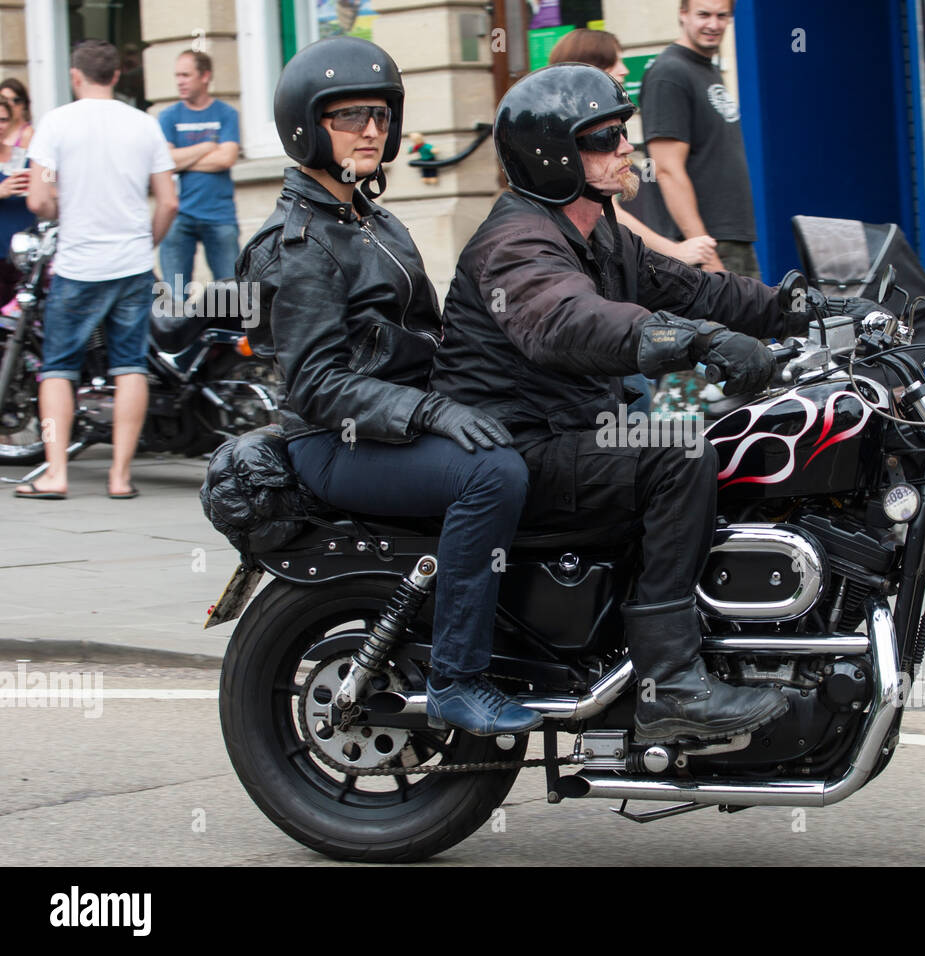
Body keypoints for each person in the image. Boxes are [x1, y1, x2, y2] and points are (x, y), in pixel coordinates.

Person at [432, 64, 815, 744]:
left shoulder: (602, 234)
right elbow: (569, 323)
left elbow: (699, 291)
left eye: (622, 132)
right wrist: (701, 343)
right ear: (554, 157)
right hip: (521, 447)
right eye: (603, 138)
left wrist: (806, 310)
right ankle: (670, 682)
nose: (624, 148)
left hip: (578, 433)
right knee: (679, 450)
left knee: (728, 436)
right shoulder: (517, 242)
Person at [238, 36, 537, 736]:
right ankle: (459, 678)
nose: (370, 129)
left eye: (379, 114)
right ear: (308, 127)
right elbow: (317, 383)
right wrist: (429, 408)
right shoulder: (301, 244)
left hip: (396, 422)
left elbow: (430, 336)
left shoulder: (373, 220)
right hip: (336, 441)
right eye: (347, 116)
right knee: (490, 475)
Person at [16, 40, 178, 501]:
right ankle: (121, 477)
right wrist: (146, 242)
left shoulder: (56, 123)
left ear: (75, 75)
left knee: (59, 369)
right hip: (130, 263)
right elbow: (168, 201)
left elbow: (38, 199)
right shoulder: (144, 124)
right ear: (116, 77)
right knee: (129, 366)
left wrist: (58, 209)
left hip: (79, 263)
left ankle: (56, 474)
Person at [549, 28, 717, 269]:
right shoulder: (572, 134)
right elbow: (607, 213)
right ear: (589, 68)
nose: (624, 70)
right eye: (613, 62)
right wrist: (674, 251)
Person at [641, 0, 753, 278]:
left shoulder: (706, 68)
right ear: (683, 14)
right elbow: (666, 170)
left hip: (730, 238)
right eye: (703, 14)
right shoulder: (669, 73)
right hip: (705, 243)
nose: (713, 24)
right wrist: (707, 254)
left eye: (721, 15)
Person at [157, 50, 240, 309]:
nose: (179, 81)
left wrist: (182, 158)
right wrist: (206, 147)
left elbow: (226, 158)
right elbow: (165, 162)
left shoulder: (226, 113)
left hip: (220, 216)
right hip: (179, 217)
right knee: (174, 299)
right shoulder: (169, 116)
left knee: (232, 296)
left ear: (205, 76)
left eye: (185, 75)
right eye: (177, 76)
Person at [0, 96, 35, 305]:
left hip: (26, 256)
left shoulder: (24, 156)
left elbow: (49, 175)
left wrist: (45, 182)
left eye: (3, 120)